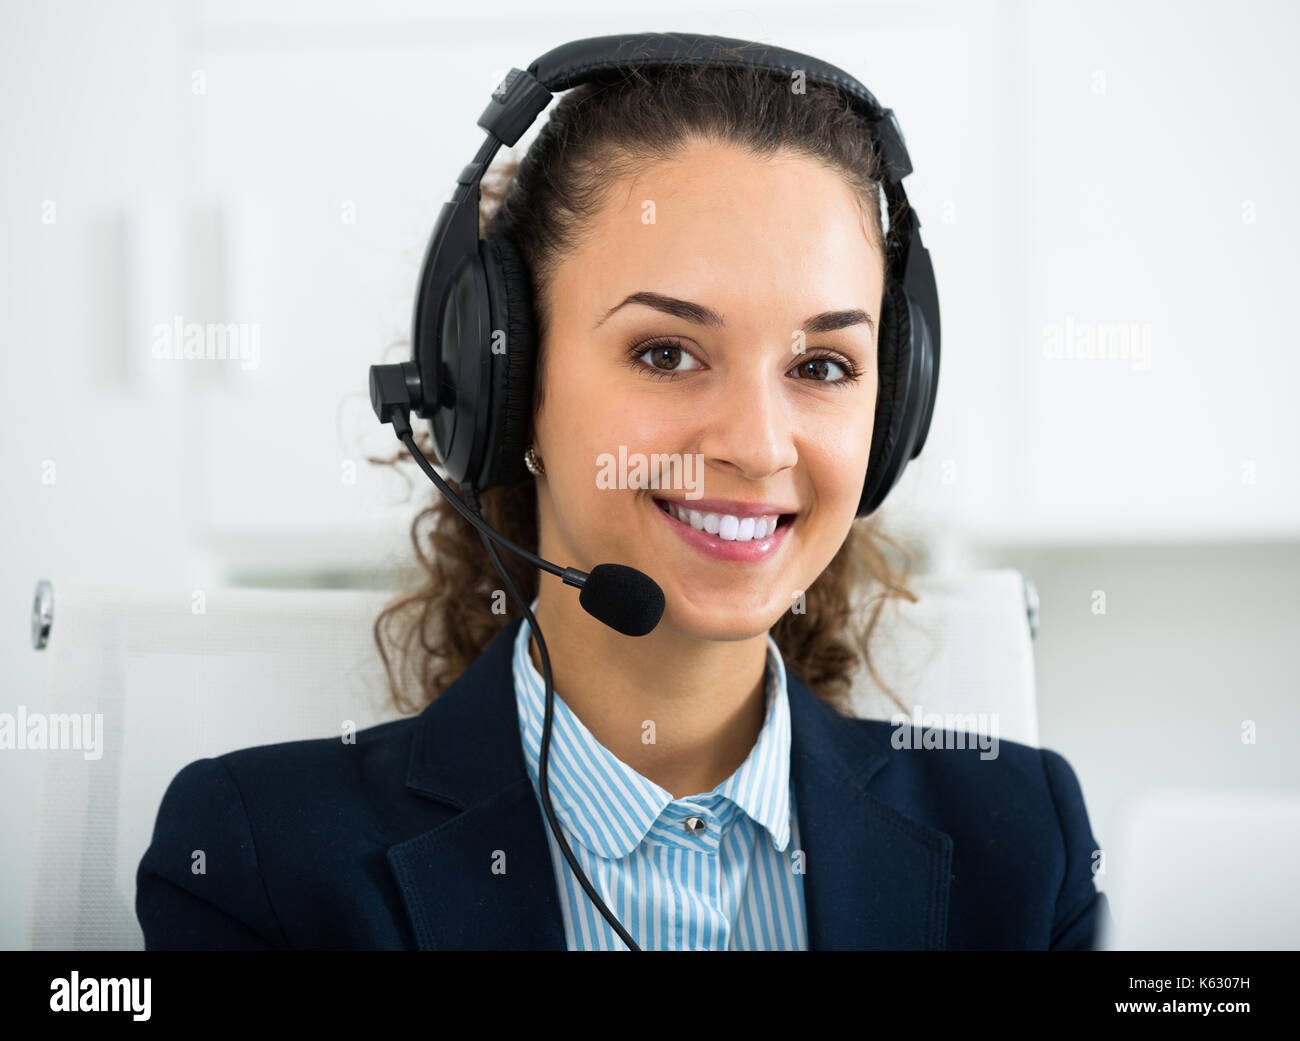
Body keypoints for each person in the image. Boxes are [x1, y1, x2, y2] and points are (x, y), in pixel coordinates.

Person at [136, 54, 1109, 950]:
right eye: (666, 353)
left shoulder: (1024, 844)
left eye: (820, 364)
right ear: (501, 389)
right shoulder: (259, 861)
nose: (758, 444)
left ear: (890, 414)